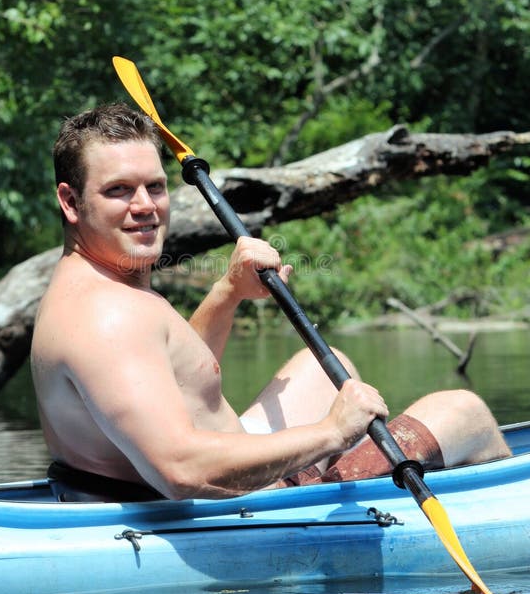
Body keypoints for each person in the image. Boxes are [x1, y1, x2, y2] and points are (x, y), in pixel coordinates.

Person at [31, 103, 511, 502]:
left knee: (324, 367)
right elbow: (180, 470)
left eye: (154, 186)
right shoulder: (108, 315)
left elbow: (174, 380)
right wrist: (332, 433)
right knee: (462, 411)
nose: (145, 206)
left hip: (201, 484)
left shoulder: (97, 285)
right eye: (118, 190)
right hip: (226, 508)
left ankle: (359, 475)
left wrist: (228, 293)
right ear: (70, 202)